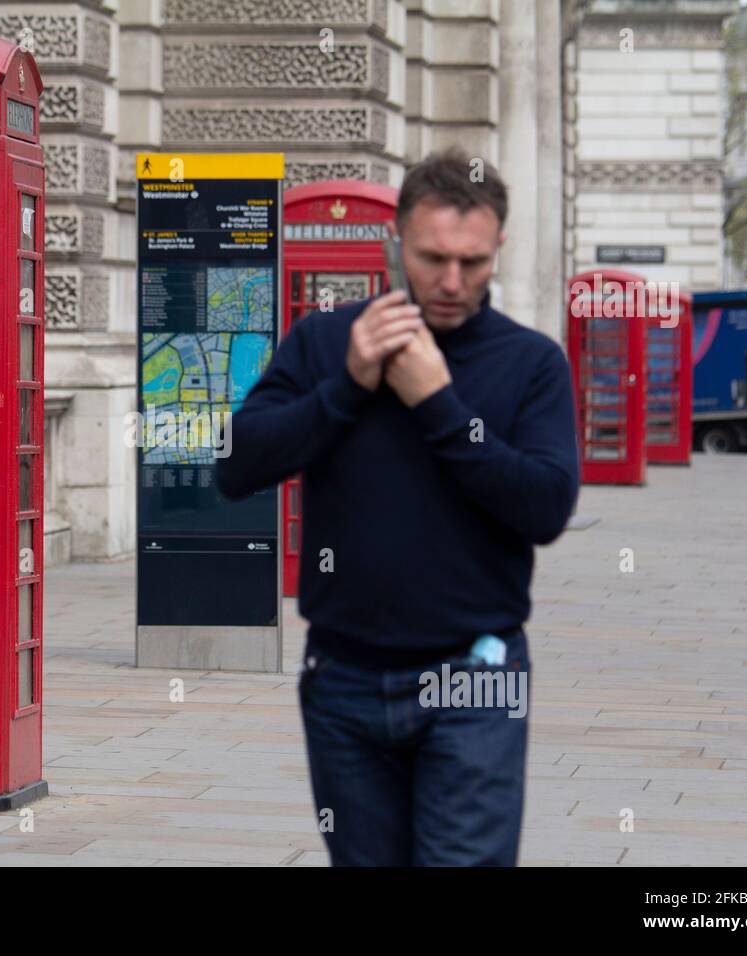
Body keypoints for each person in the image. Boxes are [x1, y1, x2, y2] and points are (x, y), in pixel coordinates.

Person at [214, 147, 580, 866]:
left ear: (497, 247)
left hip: (474, 671)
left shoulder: (531, 363)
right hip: (344, 676)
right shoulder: (328, 341)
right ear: (397, 245)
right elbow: (238, 465)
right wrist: (348, 386)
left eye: (472, 263)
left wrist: (438, 403)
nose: (450, 282)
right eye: (432, 257)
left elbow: (544, 507)